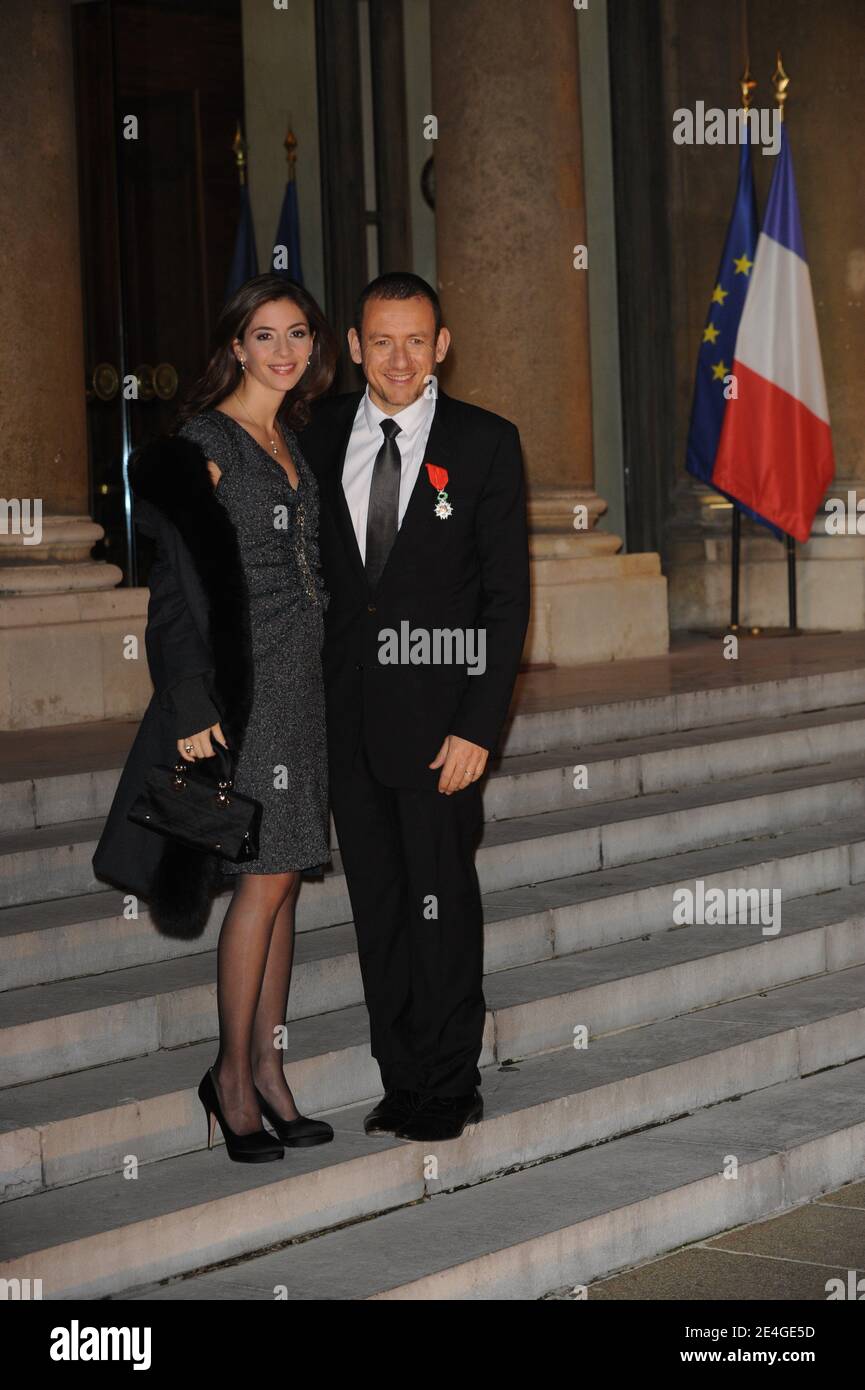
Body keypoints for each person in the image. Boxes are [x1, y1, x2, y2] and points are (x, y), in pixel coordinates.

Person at [93, 273, 338, 1162]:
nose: (284, 351)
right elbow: (172, 591)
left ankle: (267, 1071)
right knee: (262, 883)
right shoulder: (206, 442)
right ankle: (231, 1081)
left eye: (298, 334)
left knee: (282, 885)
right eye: (264, 336)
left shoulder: (290, 439)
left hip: (303, 688)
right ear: (234, 346)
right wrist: (190, 699)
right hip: (247, 691)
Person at [299, 271, 530, 1142]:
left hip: (441, 728)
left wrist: (478, 726)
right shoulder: (312, 438)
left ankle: (447, 1081)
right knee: (380, 908)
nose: (399, 358)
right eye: (380, 341)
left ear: (442, 346)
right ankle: (399, 1078)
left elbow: (505, 601)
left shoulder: (484, 444)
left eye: (415, 340)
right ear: (354, 347)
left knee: (440, 903)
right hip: (345, 723)